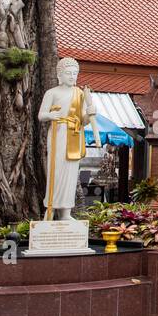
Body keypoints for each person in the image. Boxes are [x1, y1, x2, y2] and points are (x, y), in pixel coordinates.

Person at [37, 57, 96, 220]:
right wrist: (51, 115)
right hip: (58, 134)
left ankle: (66, 213)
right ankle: (49, 209)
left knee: (70, 175)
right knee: (55, 172)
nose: (72, 77)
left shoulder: (79, 94)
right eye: (68, 73)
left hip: (74, 134)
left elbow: (83, 120)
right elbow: (41, 115)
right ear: (60, 75)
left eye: (75, 74)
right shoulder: (52, 93)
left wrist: (90, 113)